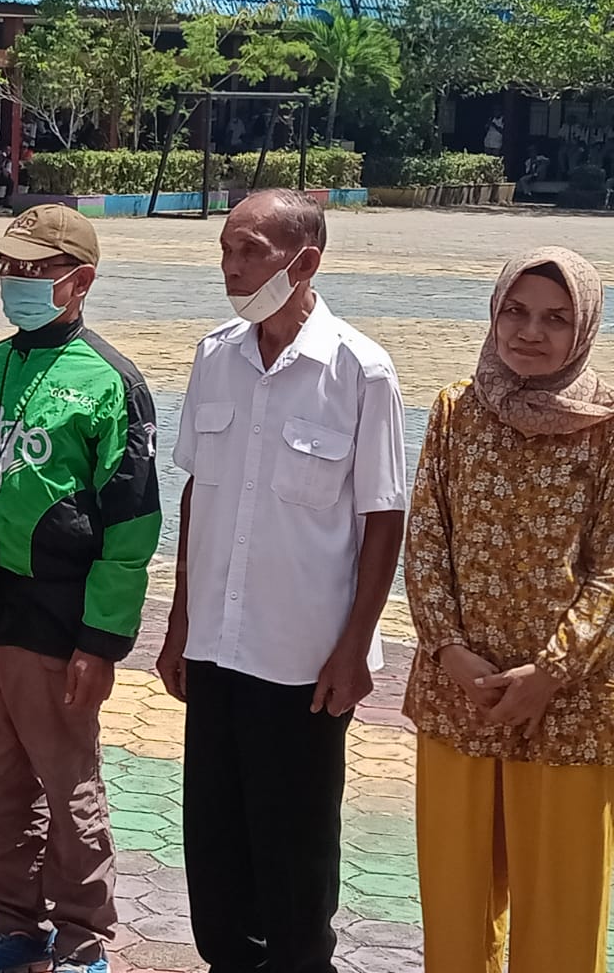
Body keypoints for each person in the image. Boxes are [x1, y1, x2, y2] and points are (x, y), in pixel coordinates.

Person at [157, 188, 407, 973]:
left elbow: (382, 517)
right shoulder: (214, 355)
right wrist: (178, 624)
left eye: (250, 252)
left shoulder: (361, 372)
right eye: (227, 249)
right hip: (216, 649)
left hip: (303, 660)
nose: (231, 268)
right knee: (217, 844)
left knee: (294, 855)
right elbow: (199, 490)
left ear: (306, 263)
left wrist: (355, 648)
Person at [0, 206, 160, 973]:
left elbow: (130, 528)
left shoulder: (110, 383)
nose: (16, 283)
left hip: (54, 617)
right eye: (7, 269)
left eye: (33, 270)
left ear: (78, 281)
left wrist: (103, 642)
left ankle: (85, 935)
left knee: (67, 778)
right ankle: (12, 920)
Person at [404, 247, 614, 973]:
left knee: (561, 906)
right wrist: (451, 653)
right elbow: (427, 537)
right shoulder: (456, 410)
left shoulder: (608, 426)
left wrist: (551, 672)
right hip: (459, 695)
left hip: (571, 706)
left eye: (556, 319)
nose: (531, 332)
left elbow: (613, 570)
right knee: (456, 904)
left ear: (584, 327)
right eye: (515, 312)